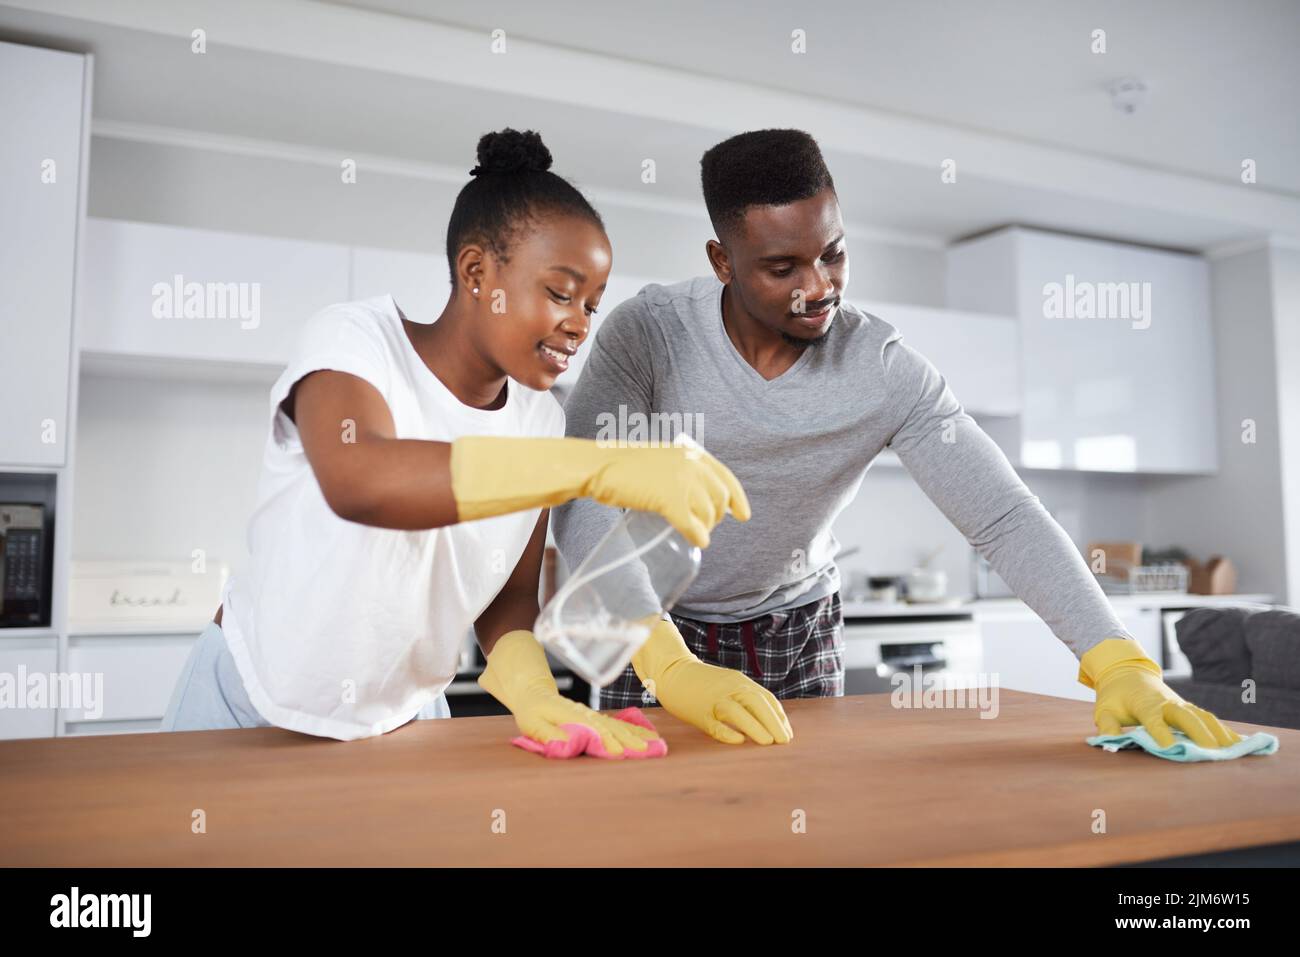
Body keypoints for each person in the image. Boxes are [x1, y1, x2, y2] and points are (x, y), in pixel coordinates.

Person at [553, 128, 1242, 751]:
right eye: (783, 267)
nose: (819, 287)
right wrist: (665, 661)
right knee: (650, 822)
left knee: (802, 821)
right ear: (722, 261)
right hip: (651, 618)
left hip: (795, 622)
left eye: (834, 253)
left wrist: (1119, 658)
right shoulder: (648, 336)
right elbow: (585, 497)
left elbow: (1003, 515)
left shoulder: (880, 368)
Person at [161, 128, 749, 753]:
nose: (579, 324)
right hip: (252, 705)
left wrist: (534, 691)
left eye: (592, 306)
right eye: (559, 293)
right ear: (476, 271)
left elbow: (508, 593)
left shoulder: (541, 419)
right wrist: (598, 464)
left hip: (407, 719)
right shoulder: (356, 343)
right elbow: (361, 479)